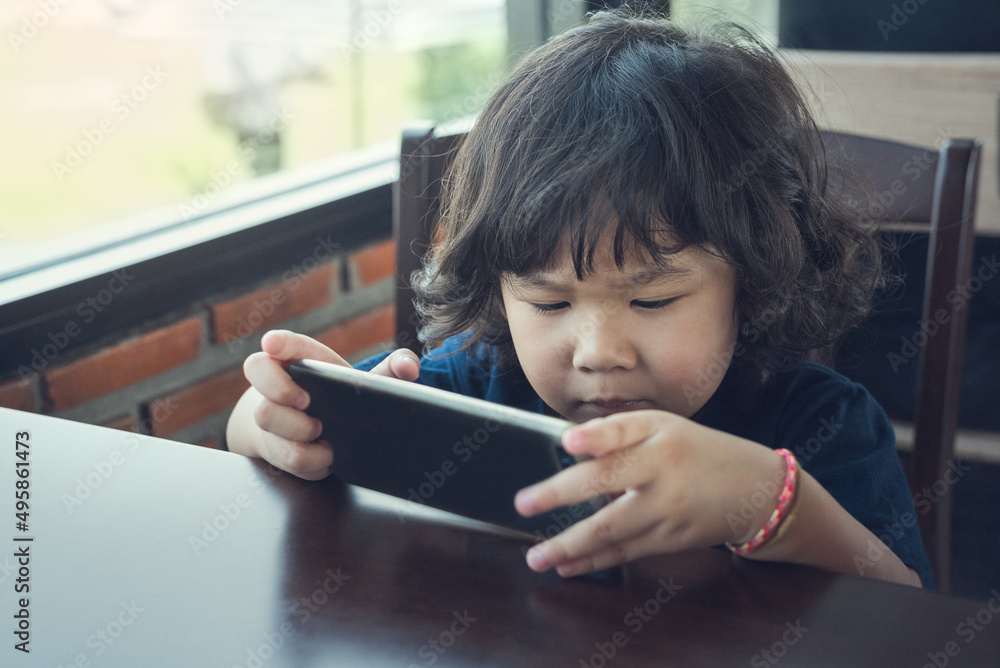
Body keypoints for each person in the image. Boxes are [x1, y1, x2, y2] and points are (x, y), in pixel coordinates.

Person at [227, 9, 932, 588]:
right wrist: (274, 422)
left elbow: (909, 618)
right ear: (499, 293)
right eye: (549, 303)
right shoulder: (475, 384)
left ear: (750, 282)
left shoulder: (821, 424)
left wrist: (769, 501)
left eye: (652, 302)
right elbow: (265, 431)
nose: (598, 352)